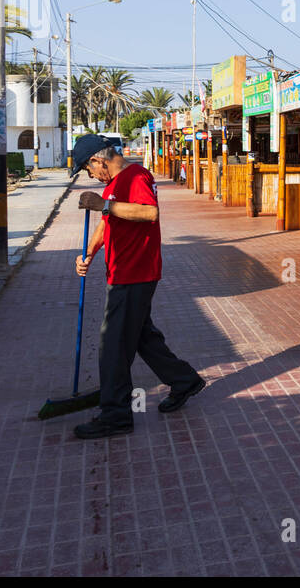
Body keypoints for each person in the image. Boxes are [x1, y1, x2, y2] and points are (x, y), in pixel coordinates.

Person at [70, 133, 205, 439]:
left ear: (98, 160)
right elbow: (108, 223)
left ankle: (116, 415)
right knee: (142, 336)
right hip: (123, 272)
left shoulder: (136, 176)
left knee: (114, 345)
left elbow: (149, 213)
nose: (90, 175)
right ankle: (184, 380)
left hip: (136, 273)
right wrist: (89, 254)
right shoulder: (115, 184)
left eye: (88, 169)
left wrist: (104, 205)